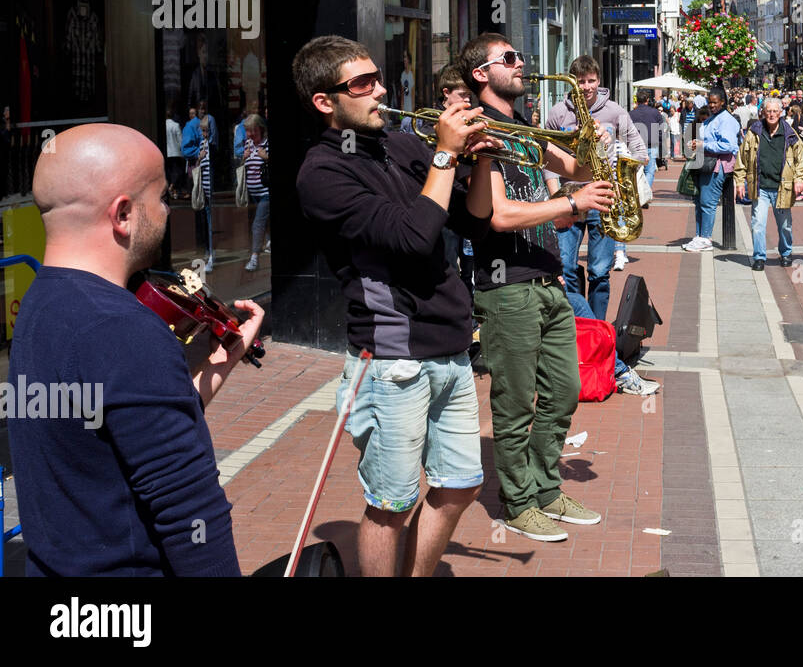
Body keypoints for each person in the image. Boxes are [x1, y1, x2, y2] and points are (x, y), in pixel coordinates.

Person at [9, 123, 263, 576]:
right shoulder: (123, 328)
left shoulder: (41, 304)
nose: (168, 210)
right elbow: (192, 516)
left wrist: (219, 363)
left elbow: (120, 431)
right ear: (122, 214)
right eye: (162, 197)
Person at [295, 37, 497, 575]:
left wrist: (478, 164)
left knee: (461, 485)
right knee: (392, 505)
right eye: (362, 84)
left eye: (378, 77)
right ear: (325, 101)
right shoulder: (322, 173)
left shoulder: (404, 145)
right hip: (391, 358)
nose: (381, 90)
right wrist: (448, 153)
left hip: (450, 345)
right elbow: (411, 237)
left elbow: (472, 222)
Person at [460, 33, 615, 542]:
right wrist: (572, 204)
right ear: (482, 74)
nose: (522, 64)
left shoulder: (524, 125)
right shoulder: (478, 132)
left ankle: (546, 488)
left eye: (520, 56)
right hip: (507, 287)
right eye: (509, 59)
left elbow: (575, 169)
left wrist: (595, 143)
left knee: (565, 391)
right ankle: (517, 502)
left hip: (546, 278)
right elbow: (499, 216)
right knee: (514, 403)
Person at [545, 57, 646, 307]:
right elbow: (546, 159)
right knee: (565, 267)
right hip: (570, 197)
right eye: (581, 81)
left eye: (591, 81)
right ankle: (578, 323)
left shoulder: (614, 111)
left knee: (600, 272)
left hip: (603, 196)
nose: (586, 86)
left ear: (598, 81)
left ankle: (598, 331)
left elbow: (640, 151)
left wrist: (621, 176)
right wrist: (555, 197)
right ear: (572, 82)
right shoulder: (558, 113)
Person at [737, 97, 803, 270]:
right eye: (768, 111)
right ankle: (759, 257)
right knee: (757, 224)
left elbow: (801, 159)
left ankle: (786, 252)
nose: (772, 114)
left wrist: (799, 179)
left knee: (785, 226)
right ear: (763, 112)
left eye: (775, 111)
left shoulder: (790, 134)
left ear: (781, 113)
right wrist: (739, 182)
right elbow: (742, 158)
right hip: (760, 187)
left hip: (783, 187)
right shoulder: (754, 133)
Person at [682, 87, 741, 252]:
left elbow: (729, 145)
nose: (712, 105)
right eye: (710, 102)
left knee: (708, 202)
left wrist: (703, 144)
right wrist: (695, 143)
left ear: (722, 102)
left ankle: (706, 238)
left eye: (715, 102)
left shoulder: (726, 120)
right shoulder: (713, 118)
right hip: (706, 163)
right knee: (700, 202)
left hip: (717, 165)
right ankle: (700, 236)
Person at [185, 114, 216, 272]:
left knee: (211, 222)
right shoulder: (203, 144)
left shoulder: (212, 145)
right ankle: (209, 251)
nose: (204, 135)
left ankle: (211, 254)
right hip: (204, 188)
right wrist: (199, 156)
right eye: (202, 132)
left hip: (211, 189)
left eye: (206, 132)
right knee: (207, 220)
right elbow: (199, 164)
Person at [240, 114, 270, 272]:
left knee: (257, 225)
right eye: (248, 131)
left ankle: (254, 258)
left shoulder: (267, 144)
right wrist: (243, 159)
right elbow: (244, 168)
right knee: (260, 223)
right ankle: (268, 242)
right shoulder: (248, 145)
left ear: (261, 129)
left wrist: (266, 158)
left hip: (266, 193)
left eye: (253, 131)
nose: (250, 134)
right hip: (252, 195)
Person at [630, 91, 665, 191]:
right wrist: (659, 141)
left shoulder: (631, 114)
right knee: (649, 171)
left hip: (636, 146)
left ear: (637, 100)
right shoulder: (655, 112)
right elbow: (661, 129)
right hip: (651, 145)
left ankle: (639, 193)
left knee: (636, 171)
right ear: (647, 100)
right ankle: (644, 193)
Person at [165, 100, 184, 200]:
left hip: (167, 152)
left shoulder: (164, 125)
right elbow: (180, 140)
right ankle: (172, 187)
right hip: (175, 152)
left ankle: (172, 189)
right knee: (177, 172)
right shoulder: (175, 125)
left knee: (169, 172)